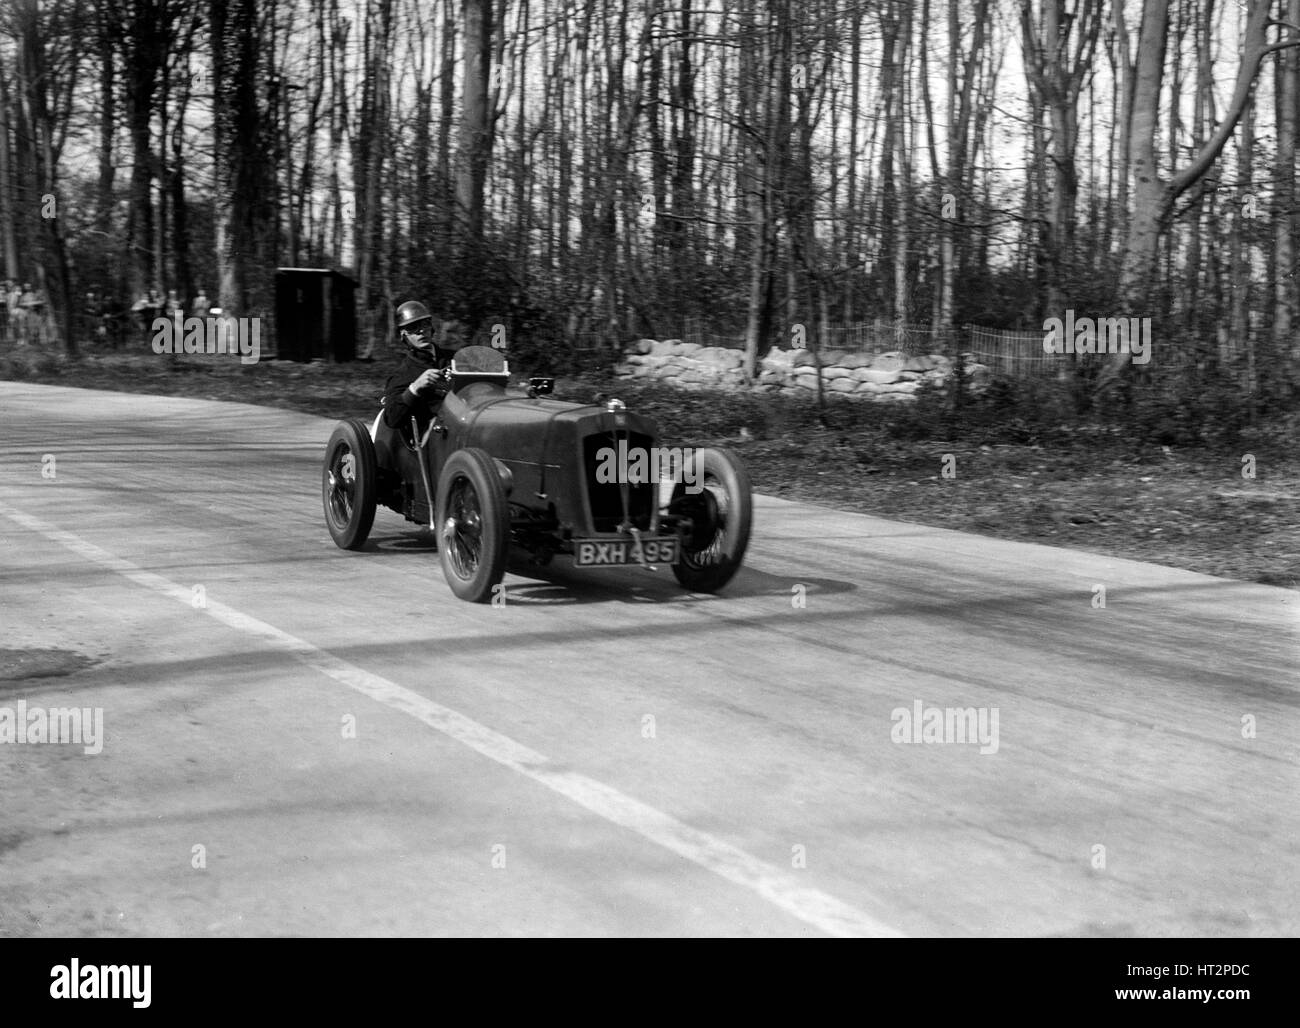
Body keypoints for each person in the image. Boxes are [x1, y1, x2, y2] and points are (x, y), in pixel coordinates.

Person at [381, 300, 465, 432]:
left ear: (431, 327)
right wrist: (415, 388)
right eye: (412, 327)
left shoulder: (457, 358)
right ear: (404, 335)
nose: (421, 331)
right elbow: (392, 418)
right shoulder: (402, 375)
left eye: (424, 324)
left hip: (468, 423)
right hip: (435, 438)